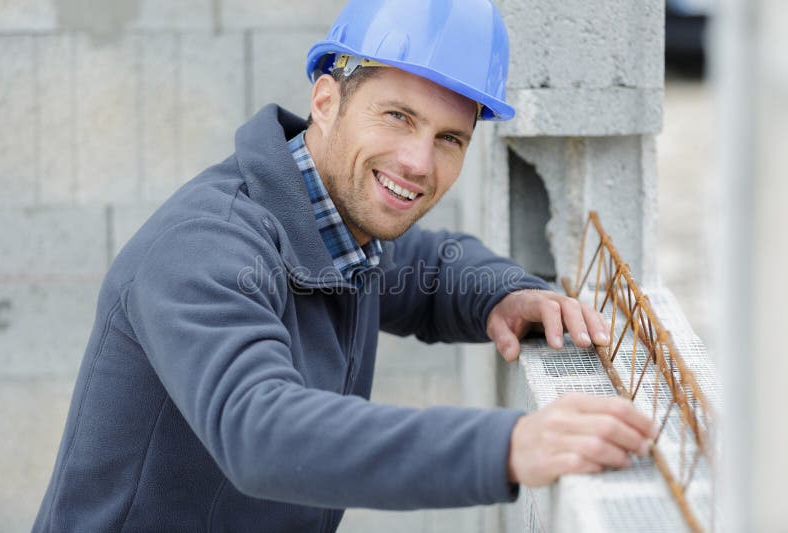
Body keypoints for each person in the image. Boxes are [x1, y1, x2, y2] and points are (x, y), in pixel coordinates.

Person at [33, 0, 656, 531]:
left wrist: (507, 293)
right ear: (326, 102)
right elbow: (263, 432)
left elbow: (426, 266)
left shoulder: (336, 224)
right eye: (398, 117)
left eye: (449, 139)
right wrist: (511, 447)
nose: (418, 161)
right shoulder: (207, 246)